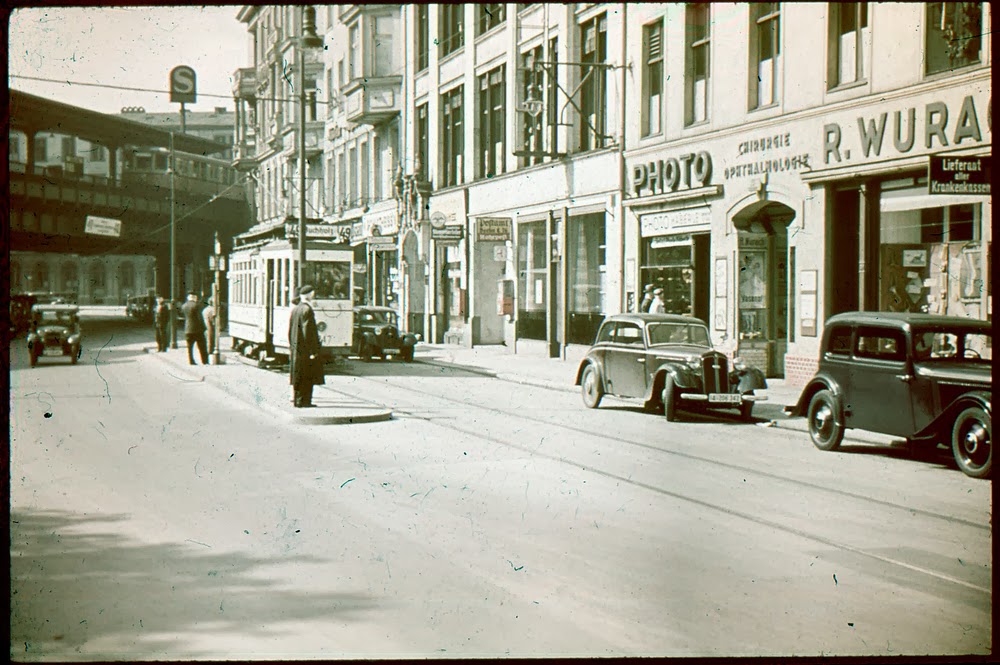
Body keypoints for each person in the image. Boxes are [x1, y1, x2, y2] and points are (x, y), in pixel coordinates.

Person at [288, 284, 325, 408]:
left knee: (298, 375)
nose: (313, 295)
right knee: (308, 375)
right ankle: (305, 401)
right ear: (309, 294)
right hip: (305, 350)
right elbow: (308, 332)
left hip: (296, 348)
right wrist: (313, 350)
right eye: (312, 293)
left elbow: (290, 331)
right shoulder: (307, 310)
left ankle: (298, 400)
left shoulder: (296, 309)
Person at [181, 292, 209, 365]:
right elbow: (200, 318)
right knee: (202, 346)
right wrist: (204, 328)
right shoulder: (196, 305)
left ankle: (191, 361)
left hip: (188, 329)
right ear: (194, 297)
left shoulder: (184, 306)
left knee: (190, 347)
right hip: (197, 329)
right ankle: (205, 361)